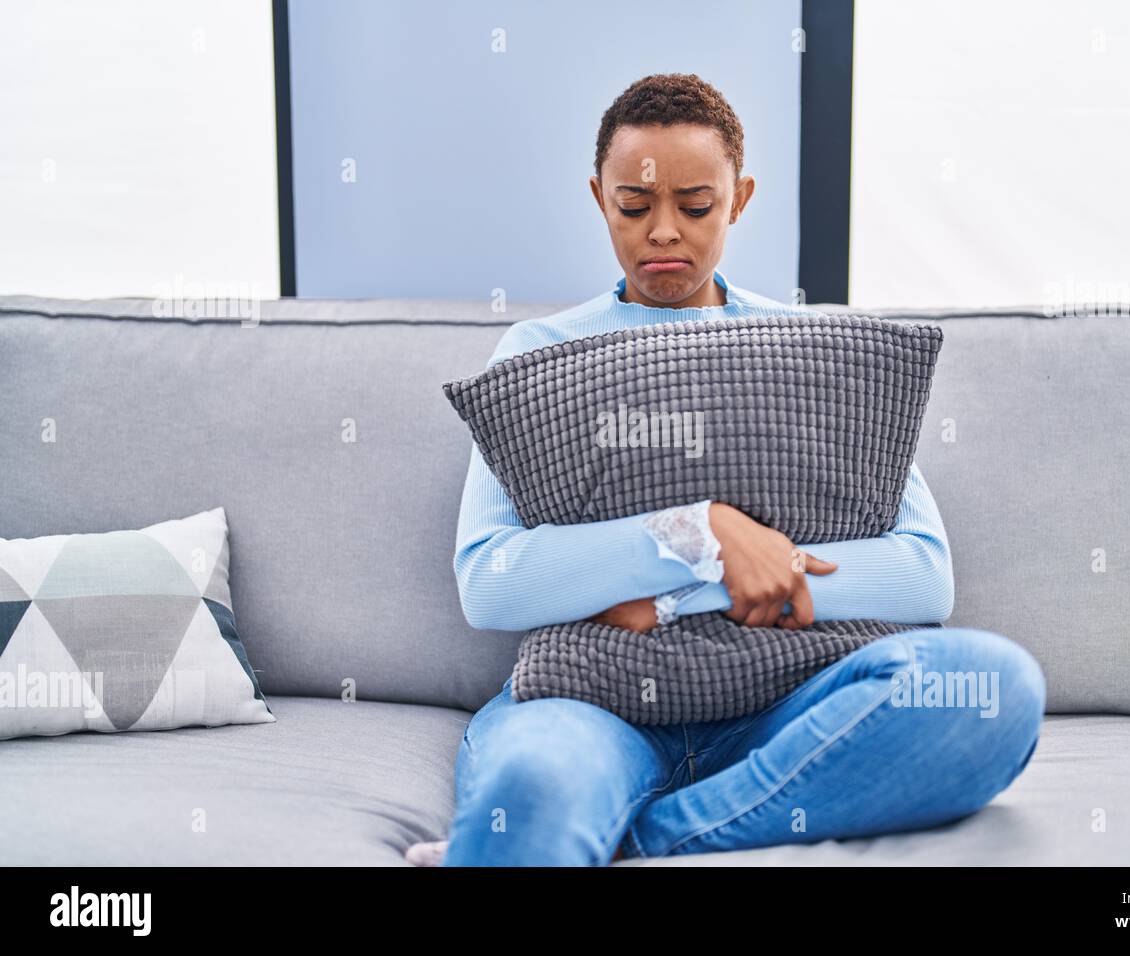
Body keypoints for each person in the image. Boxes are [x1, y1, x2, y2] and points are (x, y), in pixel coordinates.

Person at [406, 73, 1044, 867]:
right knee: (534, 789)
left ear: (739, 198)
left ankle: (641, 842)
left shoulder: (814, 349)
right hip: (595, 706)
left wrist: (675, 594)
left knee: (991, 688)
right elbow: (493, 582)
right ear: (598, 197)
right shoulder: (540, 354)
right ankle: (629, 823)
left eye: (696, 206)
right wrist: (698, 530)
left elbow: (921, 576)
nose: (663, 233)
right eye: (633, 208)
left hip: (793, 701)